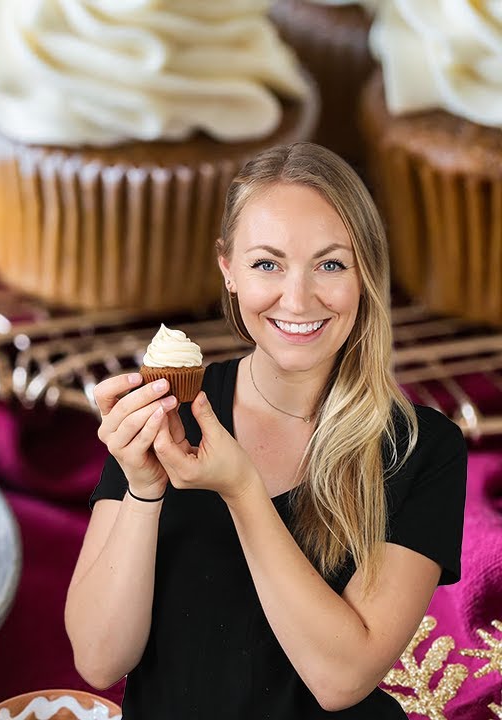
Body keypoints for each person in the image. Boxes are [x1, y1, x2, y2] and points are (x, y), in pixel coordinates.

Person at [64, 142, 467, 719]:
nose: (297, 299)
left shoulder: (423, 449)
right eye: (267, 264)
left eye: (331, 264)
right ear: (228, 269)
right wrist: (143, 489)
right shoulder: (169, 409)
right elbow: (99, 660)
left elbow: (341, 679)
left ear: (366, 275)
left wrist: (242, 490)